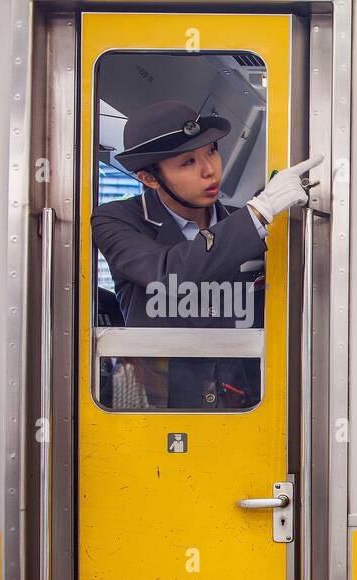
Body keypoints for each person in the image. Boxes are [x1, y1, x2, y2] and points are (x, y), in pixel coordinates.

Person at [93, 99, 322, 409]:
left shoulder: (242, 221)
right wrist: (260, 211)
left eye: (212, 151)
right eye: (187, 162)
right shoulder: (116, 220)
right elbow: (168, 273)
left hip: (248, 406)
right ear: (149, 178)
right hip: (160, 407)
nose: (209, 170)